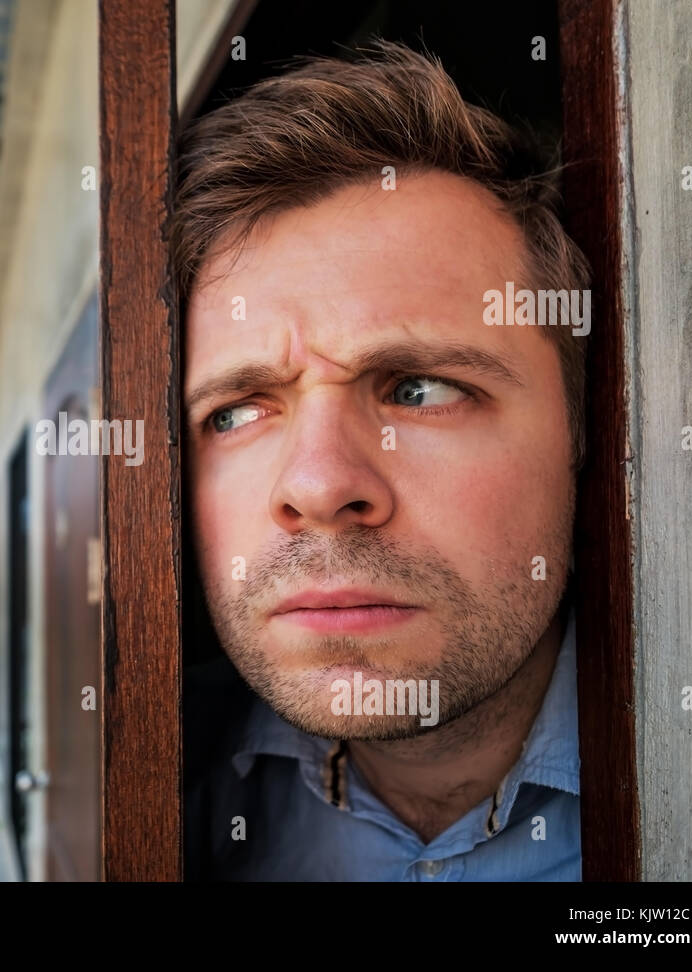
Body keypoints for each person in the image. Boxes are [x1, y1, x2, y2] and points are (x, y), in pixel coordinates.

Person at [174, 41, 590, 881]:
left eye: (420, 389)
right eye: (241, 410)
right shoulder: (170, 793)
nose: (319, 487)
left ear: (585, 432)